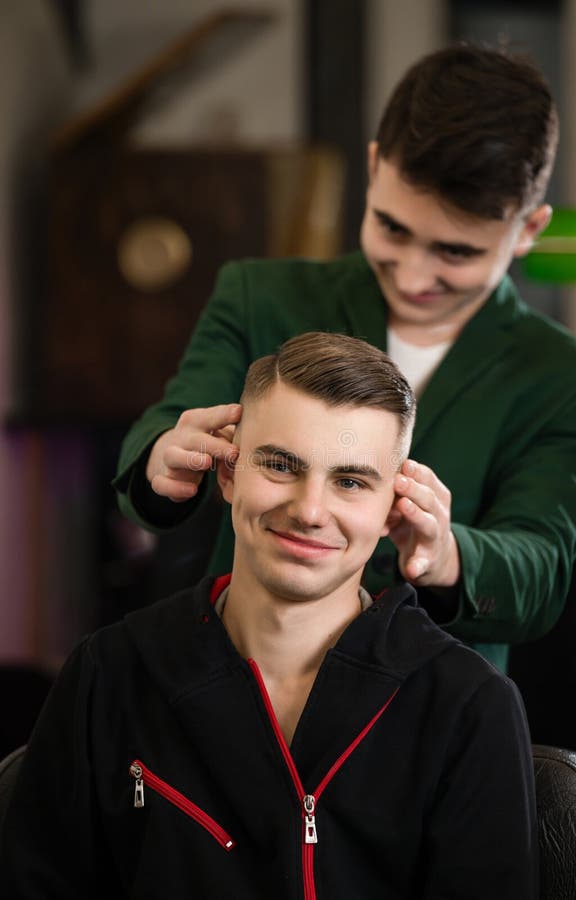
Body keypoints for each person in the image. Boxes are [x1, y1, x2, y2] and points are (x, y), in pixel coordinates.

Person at [114, 44, 576, 672]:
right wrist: (163, 458)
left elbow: (539, 573)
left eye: (455, 252)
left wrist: (446, 553)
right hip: (229, 674)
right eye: (393, 229)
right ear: (375, 169)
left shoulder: (567, 379)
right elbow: (161, 433)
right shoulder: (260, 297)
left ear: (529, 229)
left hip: (429, 710)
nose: (415, 275)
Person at [1, 333, 538, 899]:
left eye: (350, 481)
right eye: (281, 465)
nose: (309, 511)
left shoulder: (468, 704)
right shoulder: (107, 675)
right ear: (229, 474)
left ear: (392, 509)